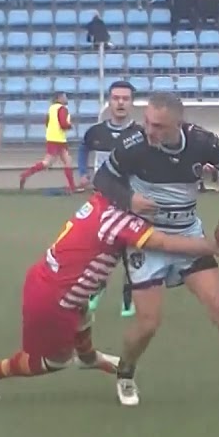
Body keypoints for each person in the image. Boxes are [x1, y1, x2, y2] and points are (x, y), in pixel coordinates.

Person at [92, 93, 219, 411]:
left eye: (159, 126)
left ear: (178, 124)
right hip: (146, 239)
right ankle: (125, 373)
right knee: (148, 323)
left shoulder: (201, 142)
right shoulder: (132, 144)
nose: (149, 130)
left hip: (188, 233)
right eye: (147, 122)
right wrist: (129, 200)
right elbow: (102, 178)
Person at [0, 193, 219, 400]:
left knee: (83, 316)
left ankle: (88, 359)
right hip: (53, 298)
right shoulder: (118, 221)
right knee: (54, 360)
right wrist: (212, 247)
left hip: (54, 280)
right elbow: (164, 243)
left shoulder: (100, 200)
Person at [77, 80, 142, 318]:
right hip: (102, 200)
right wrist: (82, 172)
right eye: (116, 98)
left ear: (132, 102)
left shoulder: (140, 134)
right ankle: (97, 288)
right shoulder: (96, 132)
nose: (120, 103)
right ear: (109, 101)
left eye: (125, 98)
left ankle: (128, 297)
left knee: (130, 251)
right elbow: (83, 148)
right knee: (99, 248)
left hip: (130, 200)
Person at [19, 92, 75, 191]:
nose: (66, 99)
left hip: (52, 138)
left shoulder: (51, 108)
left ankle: (72, 187)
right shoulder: (62, 109)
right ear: (59, 98)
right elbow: (63, 124)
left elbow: (47, 122)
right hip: (59, 139)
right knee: (49, 162)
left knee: (67, 161)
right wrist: (69, 125)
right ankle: (26, 174)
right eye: (64, 97)